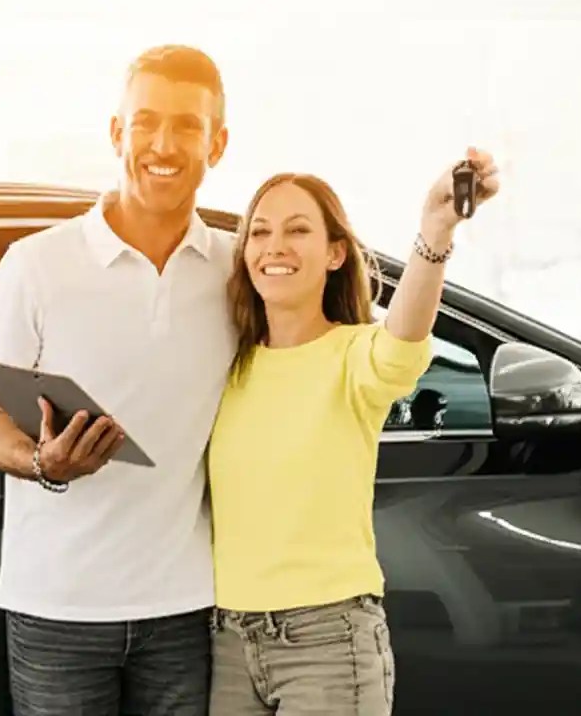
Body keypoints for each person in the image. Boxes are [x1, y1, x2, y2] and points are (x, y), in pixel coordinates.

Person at [0, 44, 236, 715]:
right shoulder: (35, 266)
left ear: (218, 144)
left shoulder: (238, 272)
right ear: (117, 133)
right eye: (146, 122)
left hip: (187, 606)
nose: (164, 144)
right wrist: (44, 461)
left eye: (187, 126)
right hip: (57, 607)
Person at [205, 148, 501, 714]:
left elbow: (404, 337)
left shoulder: (354, 355)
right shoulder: (226, 366)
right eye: (260, 233)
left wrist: (435, 229)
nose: (275, 247)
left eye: (298, 230)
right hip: (227, 643)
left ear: (335, 252)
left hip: (327, 642)